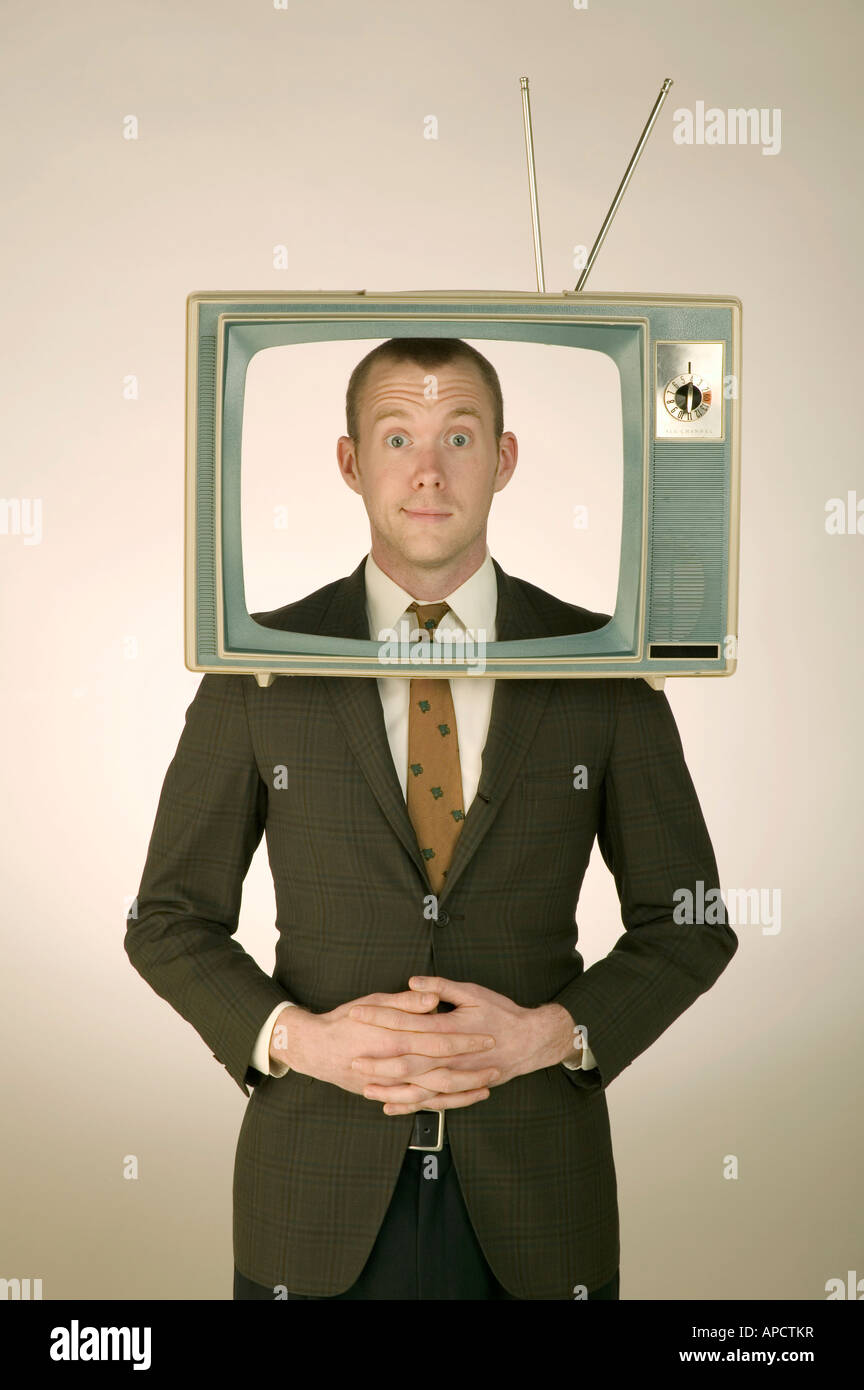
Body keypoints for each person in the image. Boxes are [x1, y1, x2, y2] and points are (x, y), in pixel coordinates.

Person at [125, 337, 738, 1301]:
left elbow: (692, 922)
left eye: (459, 435)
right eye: (397, 435)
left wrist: (555, 1034)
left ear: (504, 459)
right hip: (312, 1205)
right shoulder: (257, 667)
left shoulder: (600, 668)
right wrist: (295, 1039)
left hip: (541, 1205)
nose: (427, 470)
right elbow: (166, 920)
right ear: (349, 462)